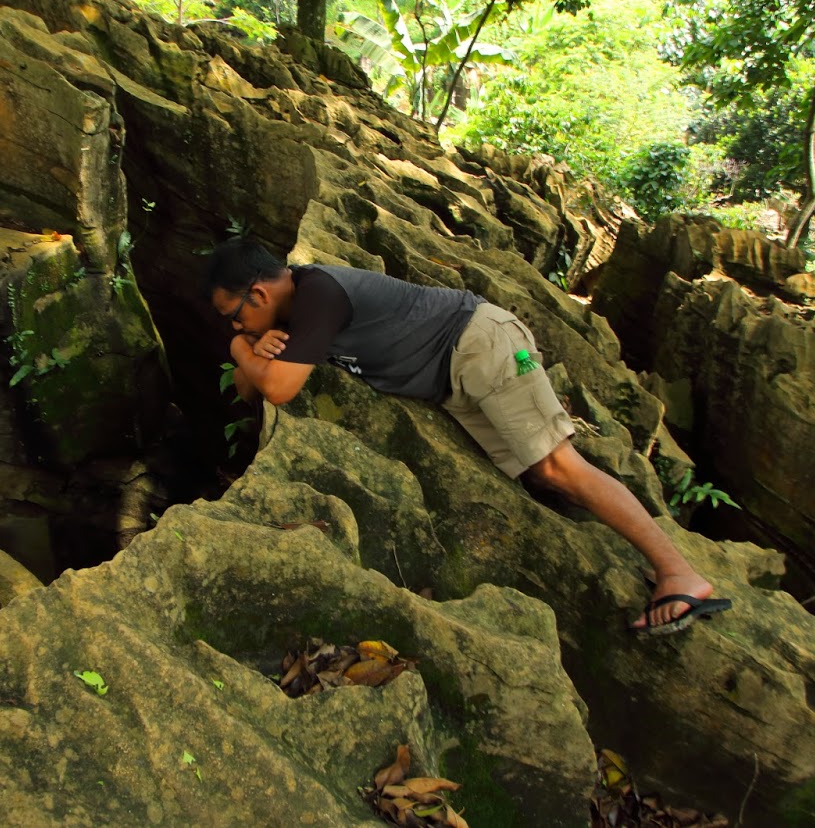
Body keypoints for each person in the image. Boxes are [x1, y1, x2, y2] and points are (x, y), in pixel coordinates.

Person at [206, 238, 731, 635]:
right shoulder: (290, 310)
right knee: (541, 476)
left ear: (259, 292)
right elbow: (251, 393)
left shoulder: (319, 294)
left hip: (480, 343)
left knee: (558, 466)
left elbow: (277, 389)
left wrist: (240, 352)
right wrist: (249, 348)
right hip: (456, 375)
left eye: (234, 316)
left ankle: (678, 574)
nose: (236, 327)